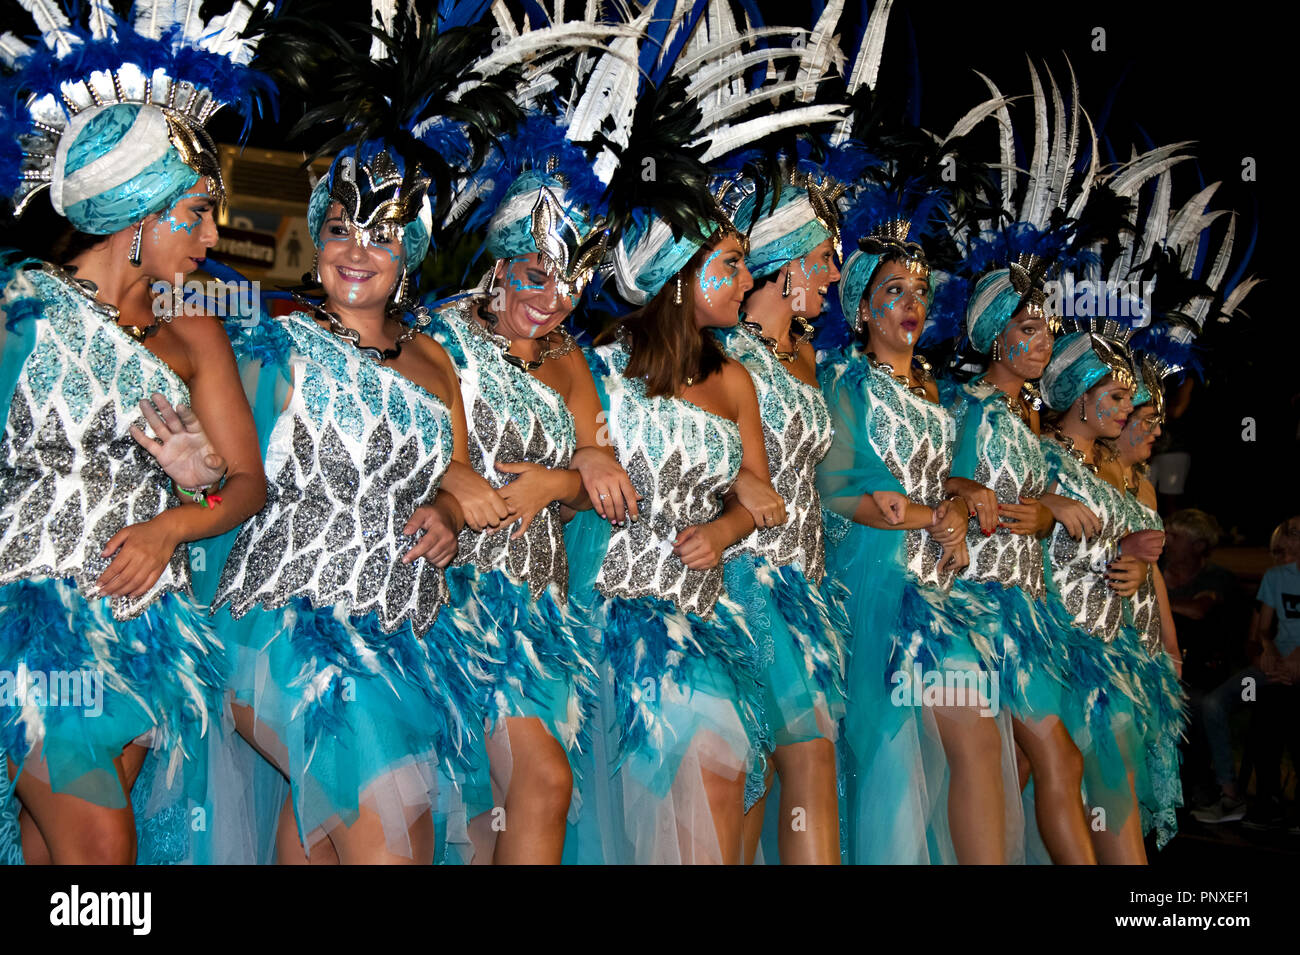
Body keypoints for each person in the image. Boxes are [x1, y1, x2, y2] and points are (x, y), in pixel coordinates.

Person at [0, 3, 270, 863]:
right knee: (102, 847)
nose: (213, 234)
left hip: (140, 631)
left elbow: (244, 485)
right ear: (135, 210)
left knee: (58, 860)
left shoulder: (198, 334)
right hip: (29, 629)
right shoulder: (17, 312)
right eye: (195, 211)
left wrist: (181, 510)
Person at [212, 142, 477, 864]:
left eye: (382, 235)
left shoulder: (434, 361)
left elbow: (454, 474)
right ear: (315, 239)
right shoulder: (271, 345)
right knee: (393, 835)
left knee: (319, 841)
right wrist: (190, 464)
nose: (357, 251)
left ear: (411, 249)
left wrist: (450, 516)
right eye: (340, 229)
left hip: (404, 638)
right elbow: (223, 470)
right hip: (287, 632)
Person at [819, 220, 1024, 865]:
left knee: (969, 747)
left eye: (920, 292)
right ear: (860, 306)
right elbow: (838, 487)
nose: (911, 305)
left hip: (940, 586)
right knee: (905, 751)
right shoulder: (846, 382)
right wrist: (925, 514)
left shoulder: (932, 391)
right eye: (894, 290)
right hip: (879, 586)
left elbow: (941, 478)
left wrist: (957, 505)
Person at [718, 172, 850, 865]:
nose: (834, 273)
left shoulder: (806, 356)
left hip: (803, 587)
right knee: (779, 767)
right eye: (822, 256)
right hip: (745, 583)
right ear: (783, 261)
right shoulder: (724, 353)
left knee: (774, 772)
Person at [1038, 331, 1165, 863]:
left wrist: (1132, 561)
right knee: (1089, 790)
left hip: (1123, 647)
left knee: (1116, 790)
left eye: (1128, 399)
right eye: (1114, 396)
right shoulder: (1043, 457)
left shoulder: (1114, 470)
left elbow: (1130, 553)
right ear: (1080, 396)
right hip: (1068, 649)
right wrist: (1047, 502)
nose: (1126, 409)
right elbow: (1018, 532)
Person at [1241, 517, 1300, 829]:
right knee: (1254, 695)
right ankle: (1264, 799)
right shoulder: (1276, 578)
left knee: (1283, 707)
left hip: (1291, 669)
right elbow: (1257, 636)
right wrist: (1270, 657)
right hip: (1272, 670)